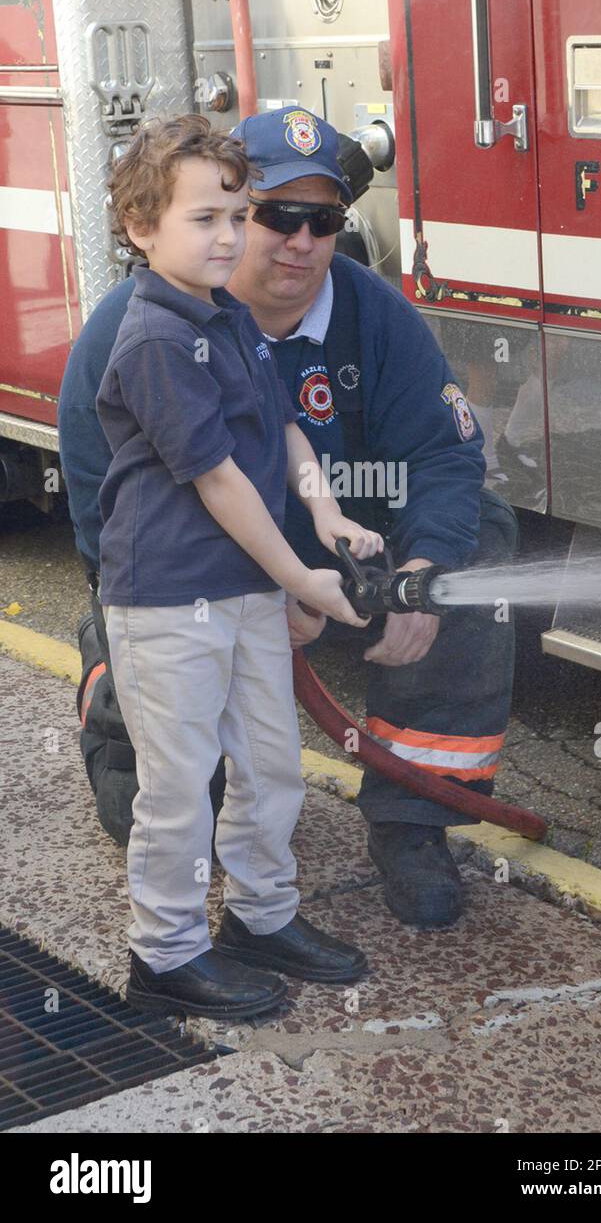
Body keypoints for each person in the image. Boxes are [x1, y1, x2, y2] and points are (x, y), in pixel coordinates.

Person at [59, 105, 518, 933]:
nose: (301, 242)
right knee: (153, 813)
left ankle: (415, 820)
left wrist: (423, 573)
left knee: (479, 541)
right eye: (273, 215)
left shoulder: (372, 315)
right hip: (183, 581)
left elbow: (445, 457)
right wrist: (261, 592)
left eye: (326, 220)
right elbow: (103, 517)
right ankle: (113, 701)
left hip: (331, 562)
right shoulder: (131, 334)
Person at [94, 115, 383, 1021]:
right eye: (202, 219)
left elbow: (283, 425)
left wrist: (326, 509)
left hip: (245, 587)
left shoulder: (230, 318)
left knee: (269, 764)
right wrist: (304, 582)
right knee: (178, 785)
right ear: (142, 230)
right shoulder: (154, 340)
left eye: (235, 215)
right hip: (169, 599)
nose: (227, 237)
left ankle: (262, 916)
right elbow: (218, 477)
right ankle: (167, 953)